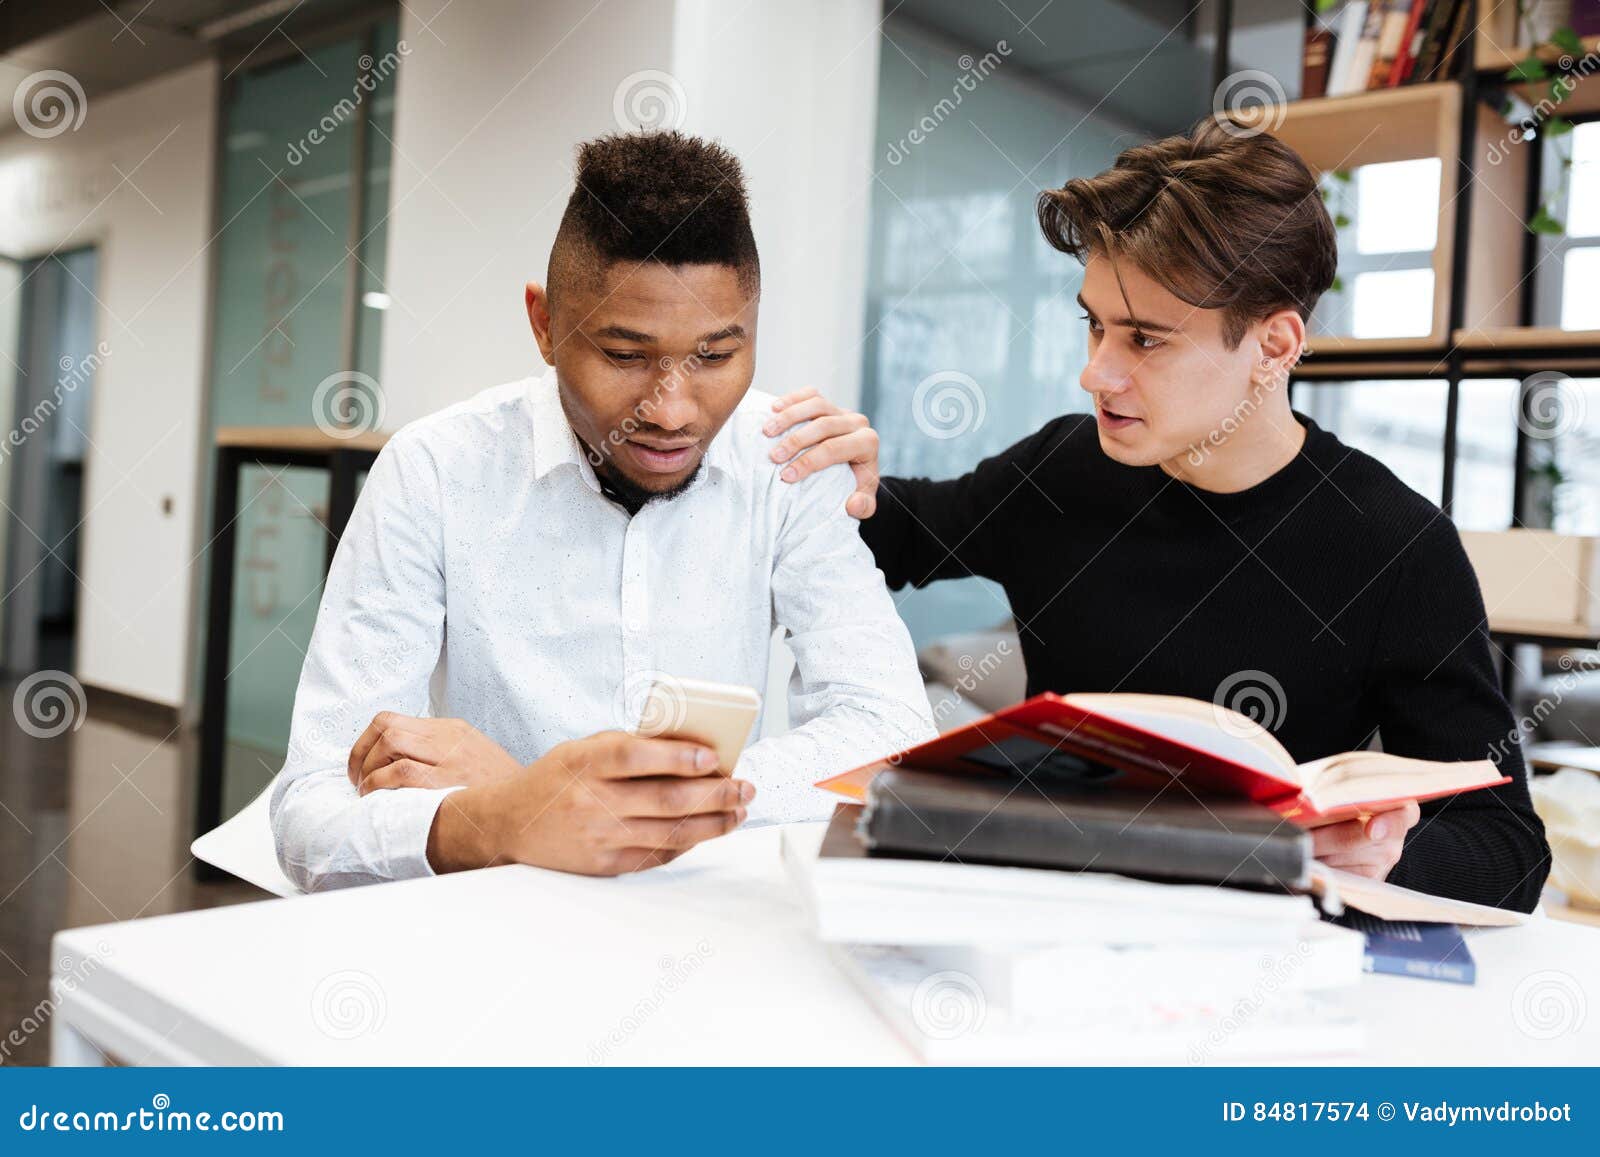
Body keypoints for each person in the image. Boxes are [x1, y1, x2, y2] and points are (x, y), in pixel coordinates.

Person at [765, 118, 1551, 911]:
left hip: (1250, 956)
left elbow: (1507, 846)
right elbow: (888, 533)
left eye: (1144, 339)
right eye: (1095, 324)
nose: (1094, 372)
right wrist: (836, 469)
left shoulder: (1395, 546)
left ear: (1276, 344)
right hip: (1041, 922)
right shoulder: (1065, 469)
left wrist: (1382, 857)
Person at [270, 131, 933, 892]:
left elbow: (892, 737)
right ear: (545, 324)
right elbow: (309, 816)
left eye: (716, 356)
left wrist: (561, 799)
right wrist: (503, 815)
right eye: (625, 355)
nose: (673, 409)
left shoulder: (790, 462)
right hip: (494, 930)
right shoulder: (433, 473)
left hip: (705, 929)